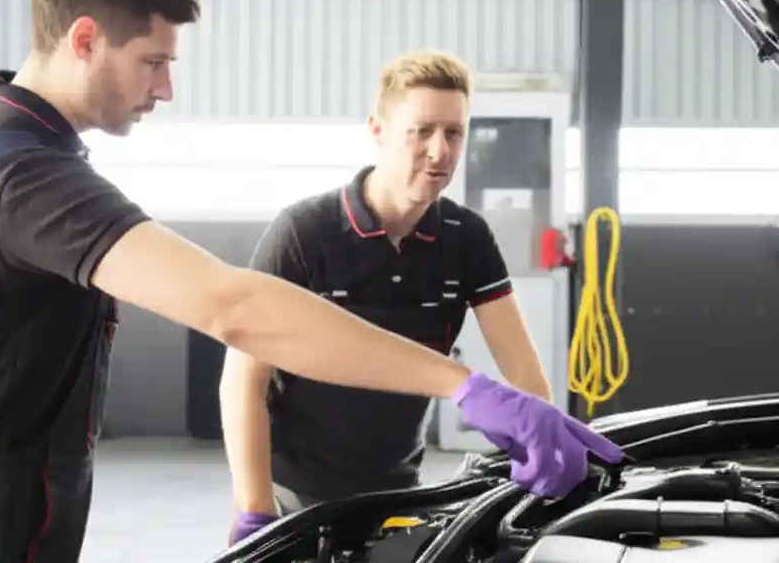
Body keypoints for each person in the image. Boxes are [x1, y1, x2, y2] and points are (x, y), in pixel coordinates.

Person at [0, 0, 623, 563]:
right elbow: (235, 308)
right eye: (154, 62)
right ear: (86, 39)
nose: (165, 89)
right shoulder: (23, 176)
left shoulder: (2, 136)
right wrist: (463, 386)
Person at [220, 50, 571, 543]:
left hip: (398, 493)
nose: (440, 150)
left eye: (454, 133)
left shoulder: (466, 239)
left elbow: (524, 370)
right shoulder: (304, 233)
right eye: (422, 130)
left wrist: (542, 441)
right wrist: (256, 509)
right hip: (290, 495)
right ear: (378, 130)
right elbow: (242, 378)